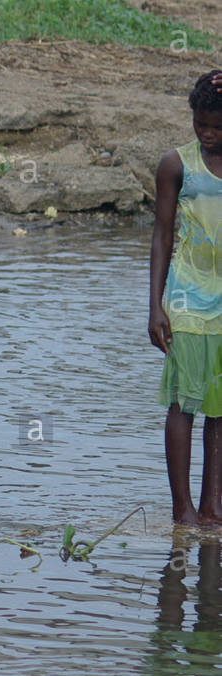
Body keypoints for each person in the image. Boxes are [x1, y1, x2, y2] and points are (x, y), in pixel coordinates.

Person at [150, 70, 222, 526]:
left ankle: (214, 507)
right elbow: (161, 234)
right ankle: (184, 510)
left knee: (221, 410)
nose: (208, 133)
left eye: (217, 126)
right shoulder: (178, 164)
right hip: (188, 301)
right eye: (201, 124)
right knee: (184, 404)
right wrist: (154, 305)